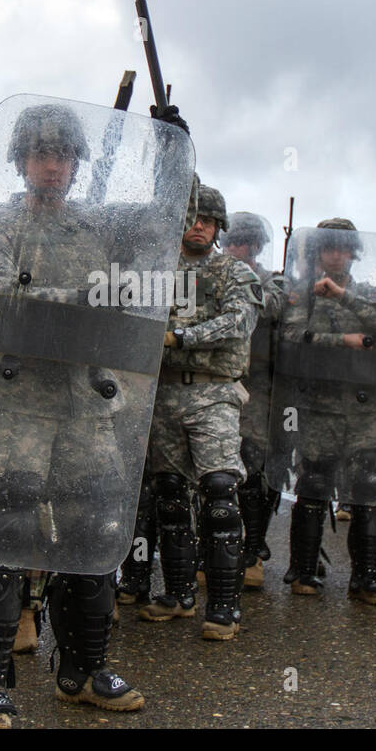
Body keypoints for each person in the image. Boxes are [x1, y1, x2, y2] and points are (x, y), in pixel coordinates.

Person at [0, 99, 188, 726]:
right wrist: (79, 300)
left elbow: (162, 222)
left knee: (92, 530)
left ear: (77, 163)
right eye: (40, 154)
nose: (52, 165)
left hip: (82, 402)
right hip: (14, 401)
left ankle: (83, 667)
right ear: (21, 162)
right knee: (8, 527)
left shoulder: (97, 226)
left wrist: (169, 154)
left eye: (63, 154)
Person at [137, 185, 262, 640]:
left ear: (218, 228)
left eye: (208, 220)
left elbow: (239, 322)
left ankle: (224, 607)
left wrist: (179, 337)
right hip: (165, 392)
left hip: (214, 393)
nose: (199, 226)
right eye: (193, 217)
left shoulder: (234, 272)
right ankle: (178, 594)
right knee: (170, 493)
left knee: (220, 492)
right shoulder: (157, 272)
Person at [273, 219, 376, 604]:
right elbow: (292, 337)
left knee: (368, 489)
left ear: (353, 253)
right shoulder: (302, 296)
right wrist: (341, 340)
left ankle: (366, 576)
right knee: (313, 486)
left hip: (365, 408)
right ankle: (304, 570)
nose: (335, 254)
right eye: (327, 248)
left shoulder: (369, 293)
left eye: (342, 248)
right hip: (320, 406)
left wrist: (344, 297)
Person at [221, 212, 284, 590]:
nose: (235, 249)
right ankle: (215, 550)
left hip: (258, 389)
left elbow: (273, 305)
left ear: (257, 247)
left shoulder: (270, 281)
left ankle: (252, 552)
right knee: (216, 474)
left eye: (243, 243)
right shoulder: (210, 274)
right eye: (230, 242)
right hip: (218, 382)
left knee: (253, 471)